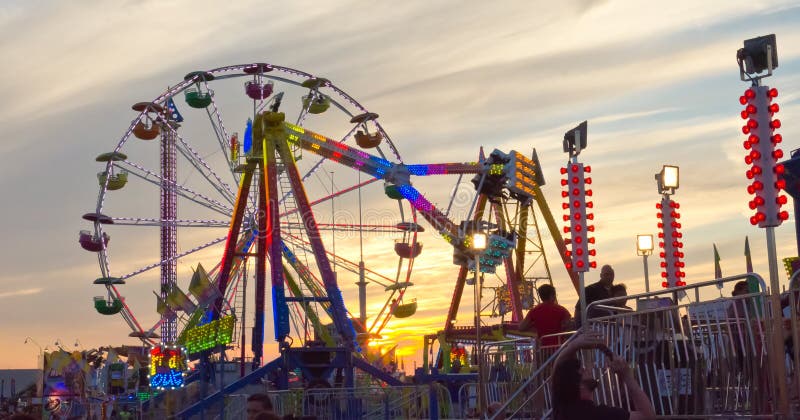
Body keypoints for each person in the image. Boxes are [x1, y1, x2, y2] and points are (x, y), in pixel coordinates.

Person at [552, 331, 656, 420]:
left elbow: (558, 369)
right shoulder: (599, 414)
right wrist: (627, 376)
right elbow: (647, 417)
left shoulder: (562, 409)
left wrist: (574, 346)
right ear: (579, 385)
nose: (587, 369)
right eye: (582, 371)